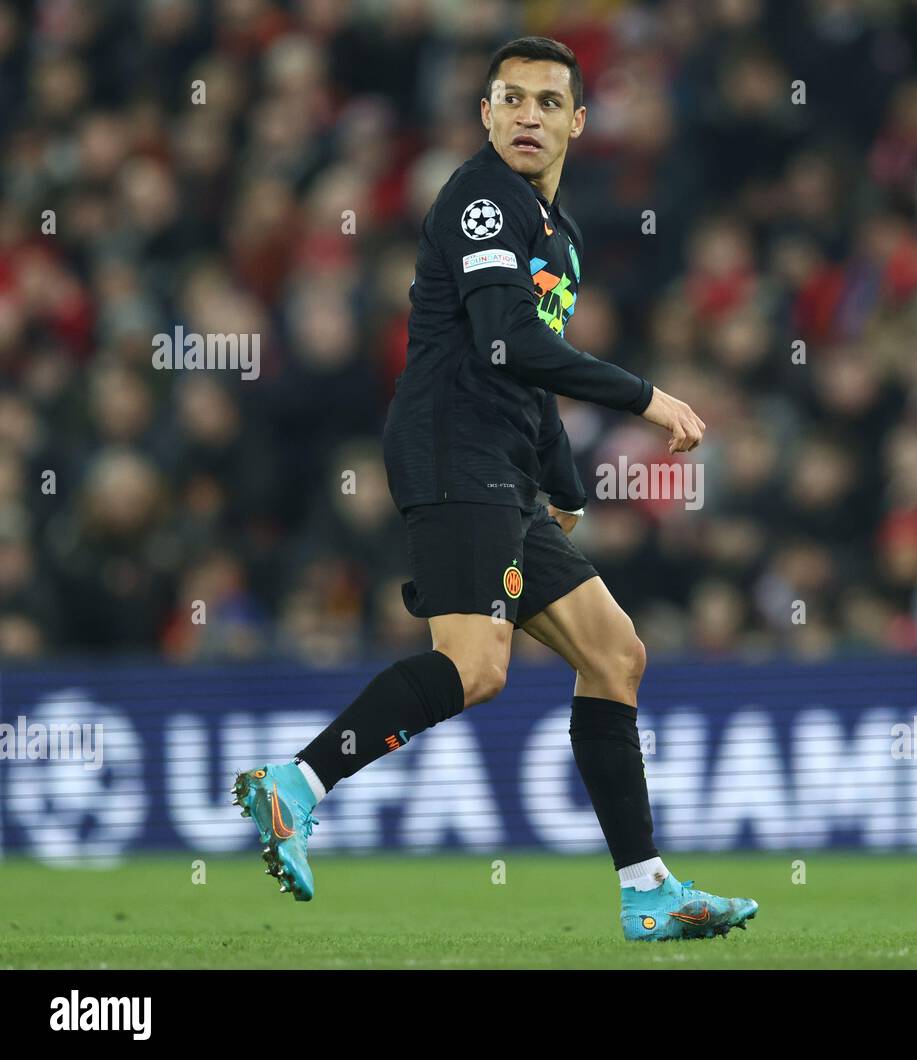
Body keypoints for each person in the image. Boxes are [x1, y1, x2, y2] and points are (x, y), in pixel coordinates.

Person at [231, 36, 758, 941]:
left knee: (615, 653)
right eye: (510, 98)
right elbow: (506, 342)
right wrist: (646, 396)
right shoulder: (482, 201)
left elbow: (530, 373)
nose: (528, 115)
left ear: (577, 124)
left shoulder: (561, 234)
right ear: (485, 115)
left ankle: (647, 890)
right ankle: (298, 782)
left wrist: (567, 488)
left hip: (506, 465)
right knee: (478, 669)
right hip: (451, 448)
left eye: (548, 102)